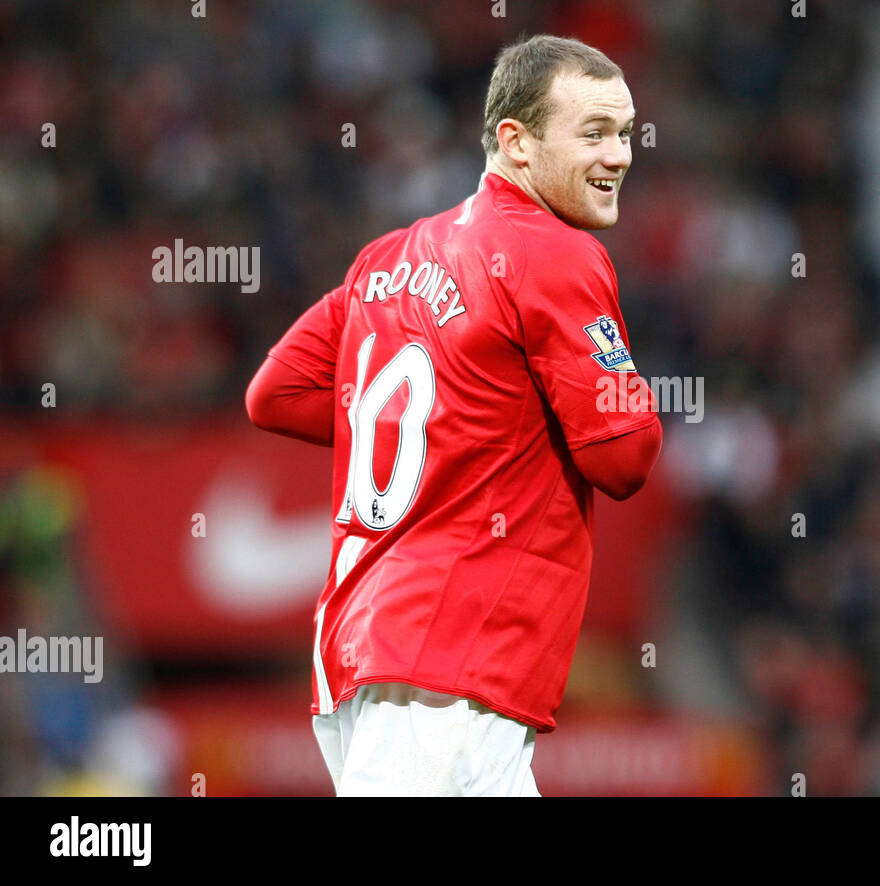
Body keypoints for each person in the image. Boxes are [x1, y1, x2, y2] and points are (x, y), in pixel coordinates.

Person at [244, 33, 661, 796]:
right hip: (449, 667)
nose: (620, 155)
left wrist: (461, 424)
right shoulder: (554, 254)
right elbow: (625, 456)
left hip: (362, 648)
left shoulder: (386, 258)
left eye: (626, 132)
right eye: (594, 133)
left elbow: (275, 393)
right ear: (517, 141)